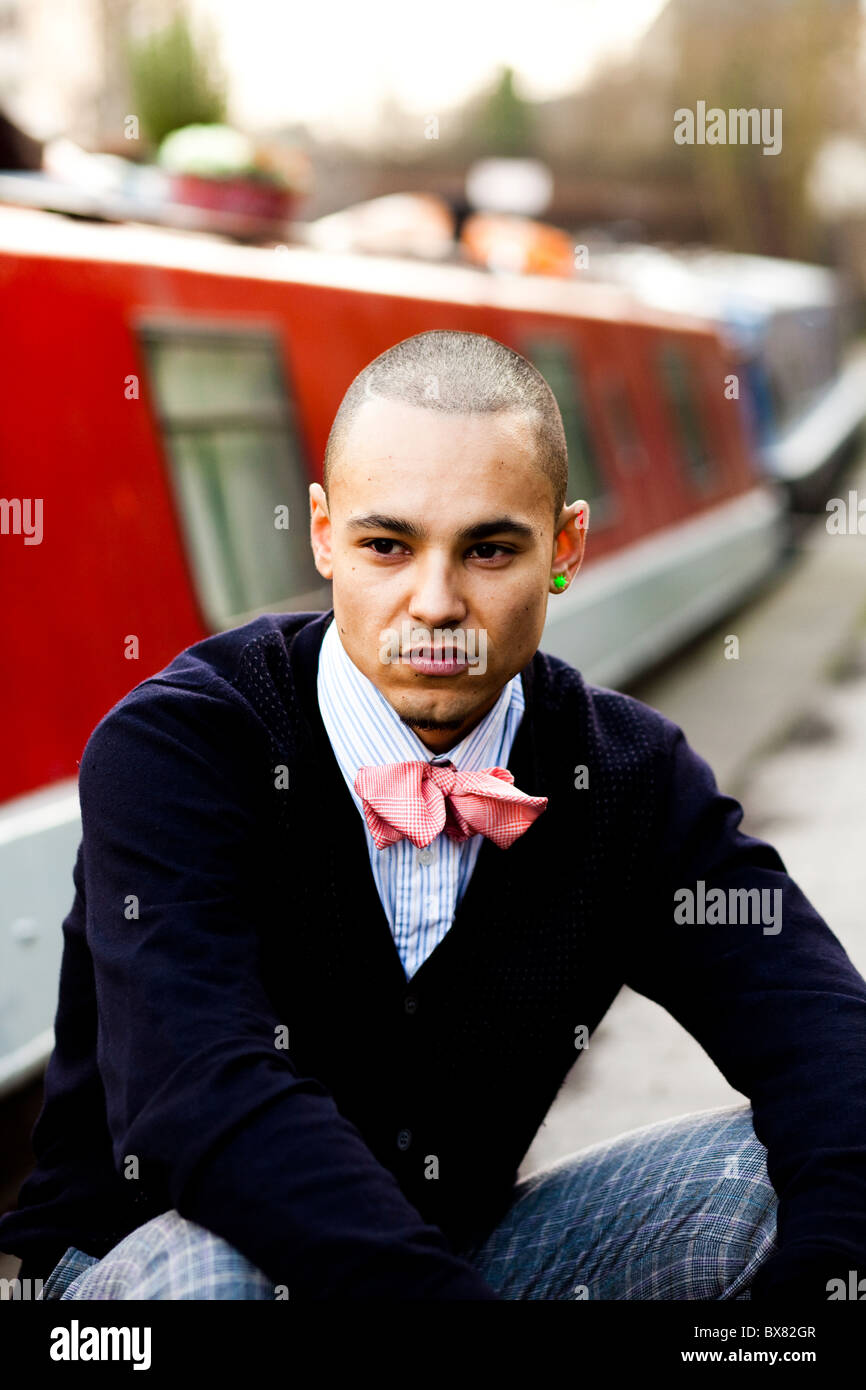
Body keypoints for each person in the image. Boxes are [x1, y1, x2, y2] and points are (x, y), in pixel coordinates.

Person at [3, 329, 865, 1301]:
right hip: (155, 1264)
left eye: (489, 548)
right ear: (324, 535)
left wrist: (808, 1294)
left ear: (564, 548)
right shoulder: (182, 746)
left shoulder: (628, 772)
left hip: (453, 1256)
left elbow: (822, 1037)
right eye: (386, 545)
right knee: (224, 1270)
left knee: (778, 1178)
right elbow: (201, 1089)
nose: (434, 602)